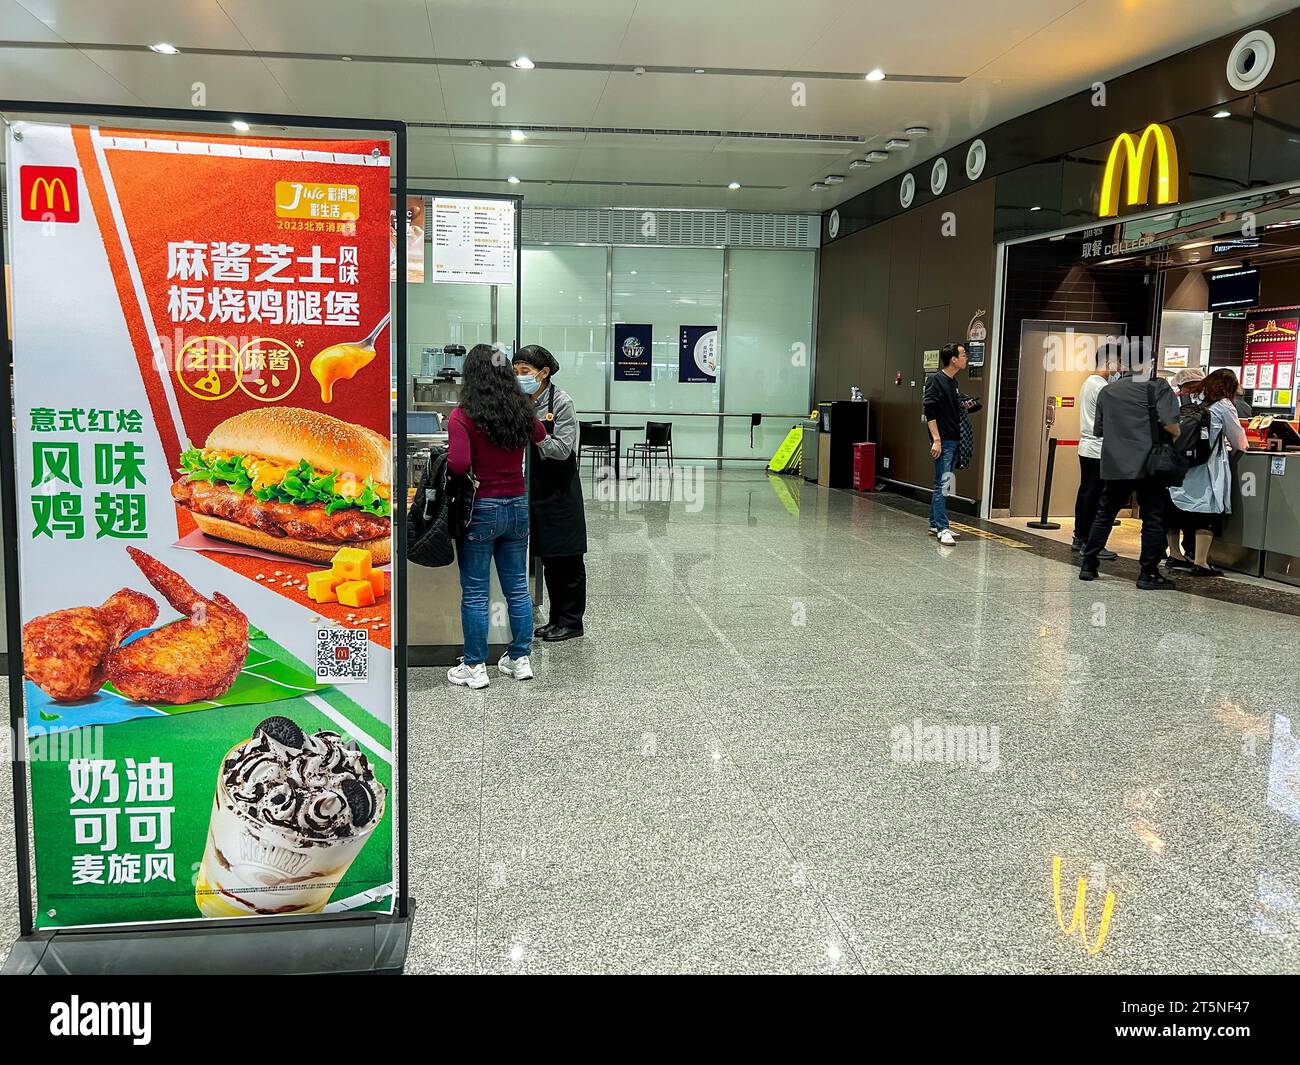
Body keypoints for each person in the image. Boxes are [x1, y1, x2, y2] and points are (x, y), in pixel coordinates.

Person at [446, 344, 547, 688]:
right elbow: (541, 434)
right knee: (517, 587)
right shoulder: (519, 410)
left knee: (475, 591)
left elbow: (459, 464)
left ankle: (475, 667)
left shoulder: (463, 414)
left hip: (481, 509)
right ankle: (520, 659)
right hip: (517, 506)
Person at [1079, 369, 1182, 588]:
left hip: (1116, 463)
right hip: (1149, 464)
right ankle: (1148, 573)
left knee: (1104, 513)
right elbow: (1171, 425)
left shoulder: (1107, 391)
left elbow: (1099, 430)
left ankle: (1088, 564)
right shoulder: (1158, 387)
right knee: (1153, 518)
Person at [514, 344, 588, 641]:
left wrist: (538, 432)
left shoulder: (561, 402)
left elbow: (562, 449)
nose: (520, 378)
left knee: (566, 557)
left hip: (560, 489)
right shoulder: (521, 401)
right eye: (516, 372)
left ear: (543, 373)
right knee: (547, 555)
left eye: (525, 372)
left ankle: (571, 621)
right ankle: (556, 618)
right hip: (534, 489)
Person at [1166, 368, 1248, 577]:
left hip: (1181, 464)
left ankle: (1175, 555)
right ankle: (1200, 562)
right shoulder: (1223, 405)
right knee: (1207, 513)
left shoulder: (1188, 401)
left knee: (1175, 511)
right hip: (1207, 467)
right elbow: (1239, 440)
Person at [1072, 350, 1118, 560]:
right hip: (1098, 448)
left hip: (1087, 447)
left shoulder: (1088, 382)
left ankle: (1079, 536)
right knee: (1095, 496)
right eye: (1118, 362)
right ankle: (1090, 541)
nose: (1120, 368)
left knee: (1086, 493)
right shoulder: (1101, 386)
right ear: (1108, 362)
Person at [923, 343, 969, 547]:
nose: (965, 358)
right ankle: (942, 528)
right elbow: (929, 411)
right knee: (943, 484)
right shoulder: (936, 380)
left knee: (942, 483)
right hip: (944, 441)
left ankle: (935, 523)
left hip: (953, 439)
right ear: (953, 359)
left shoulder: (953, 382)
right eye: (963, 355)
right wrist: (937, 440)